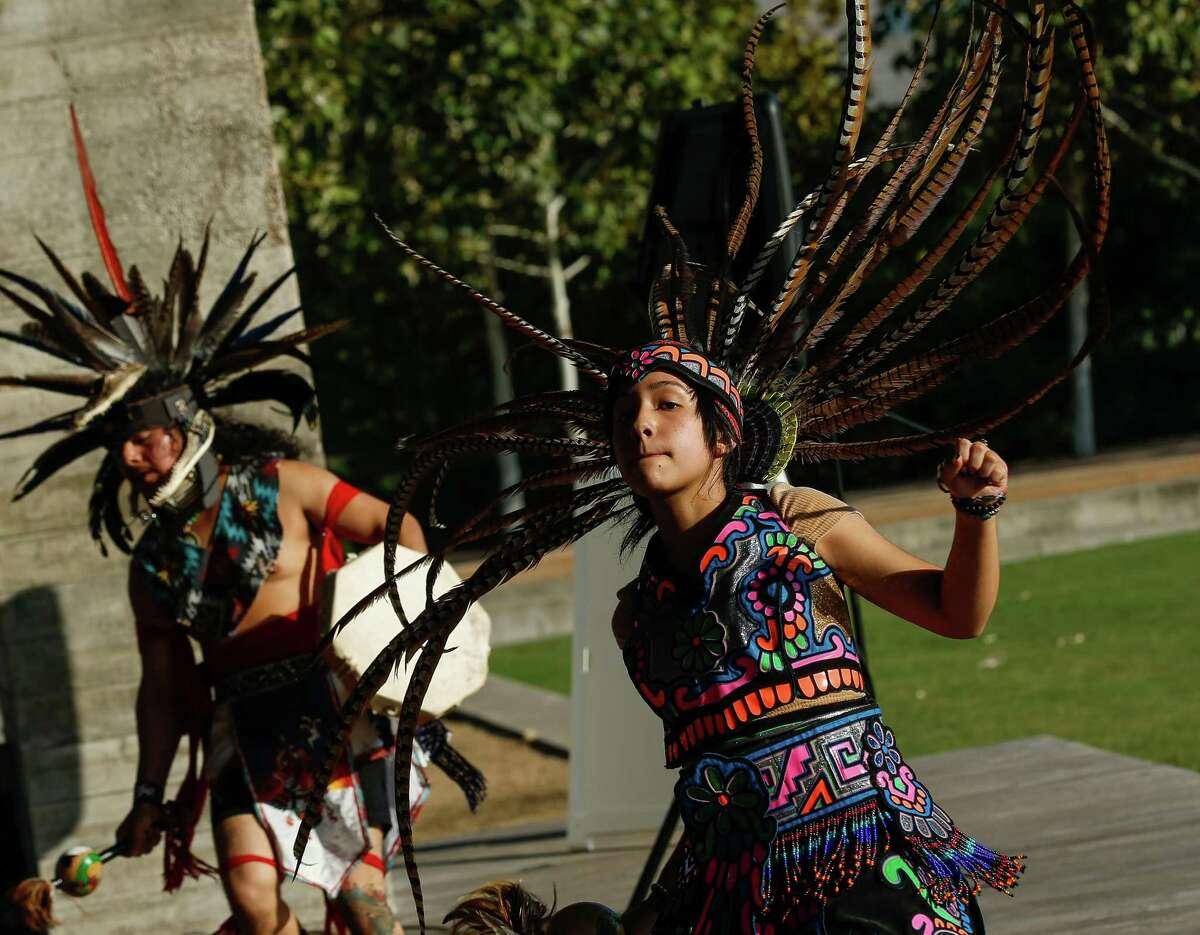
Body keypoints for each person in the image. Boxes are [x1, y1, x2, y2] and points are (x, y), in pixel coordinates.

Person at [297, 3, 1111, 931]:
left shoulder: (801, 521)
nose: (642, 427)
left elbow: (958, 614)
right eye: (625, 416)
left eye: (666, 408)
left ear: (722, 434)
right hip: (741, 890)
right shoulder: (637, 613)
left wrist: (980, 515)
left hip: (868, 862)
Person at [0, 110, 484, 935]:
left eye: (141, 436)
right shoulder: (150, 563)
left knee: (364, 904)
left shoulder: (285, 484)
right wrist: (150, 794)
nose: (130, 458)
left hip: (330, 709)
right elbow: (163, 688)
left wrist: (415, 630)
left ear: (184, 421)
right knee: (255, 908)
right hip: (239, 728)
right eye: (119, 445)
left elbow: (392, 526)